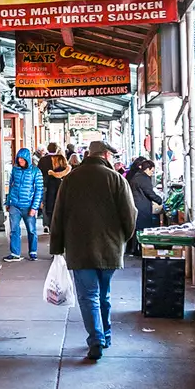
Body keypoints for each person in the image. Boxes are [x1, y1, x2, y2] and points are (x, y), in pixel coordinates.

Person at [49, 141, 135, 362]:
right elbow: (130, 215)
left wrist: (57, 247)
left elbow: (58, 216)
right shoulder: (117, 179)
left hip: (80, 248)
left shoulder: (70, 179)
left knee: (89, 296)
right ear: (105, 155)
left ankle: (96, 339)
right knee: (104, 295)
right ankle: (105, 335)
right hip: (110, 248)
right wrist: (122, 239)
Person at [4, 147, 43, 261]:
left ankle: (33, 251)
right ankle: (15, 253)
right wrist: (8, 202)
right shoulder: (15, 170)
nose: (20, 161)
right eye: (18, 159)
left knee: (31, 230)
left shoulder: (36, 171)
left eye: (22, 159)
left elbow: (38, 190)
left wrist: (34, 207)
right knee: (14, 230)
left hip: (28, 206)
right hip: (14, 205)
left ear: (27, 159)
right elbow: (11, 187)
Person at [126, 158, 165, 258]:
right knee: (142, 229)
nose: (152, 173)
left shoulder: (136, 176)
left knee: (137, 228)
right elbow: (149, 193)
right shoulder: (143, 179)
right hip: (142, 207)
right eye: (152, 171)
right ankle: (139, 250)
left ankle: (134, 249)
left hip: (136, 205)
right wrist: (160, 200)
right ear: (147, 169)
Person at [40, 143, 70, 223]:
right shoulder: (61, 159)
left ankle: (46, 223)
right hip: (58, 184)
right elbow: (65, 171)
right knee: (58, 202)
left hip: (45, 184)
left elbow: (39, 173)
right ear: (57, 149)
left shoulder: (43, 159)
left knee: (45, 203)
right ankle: (57, 221)